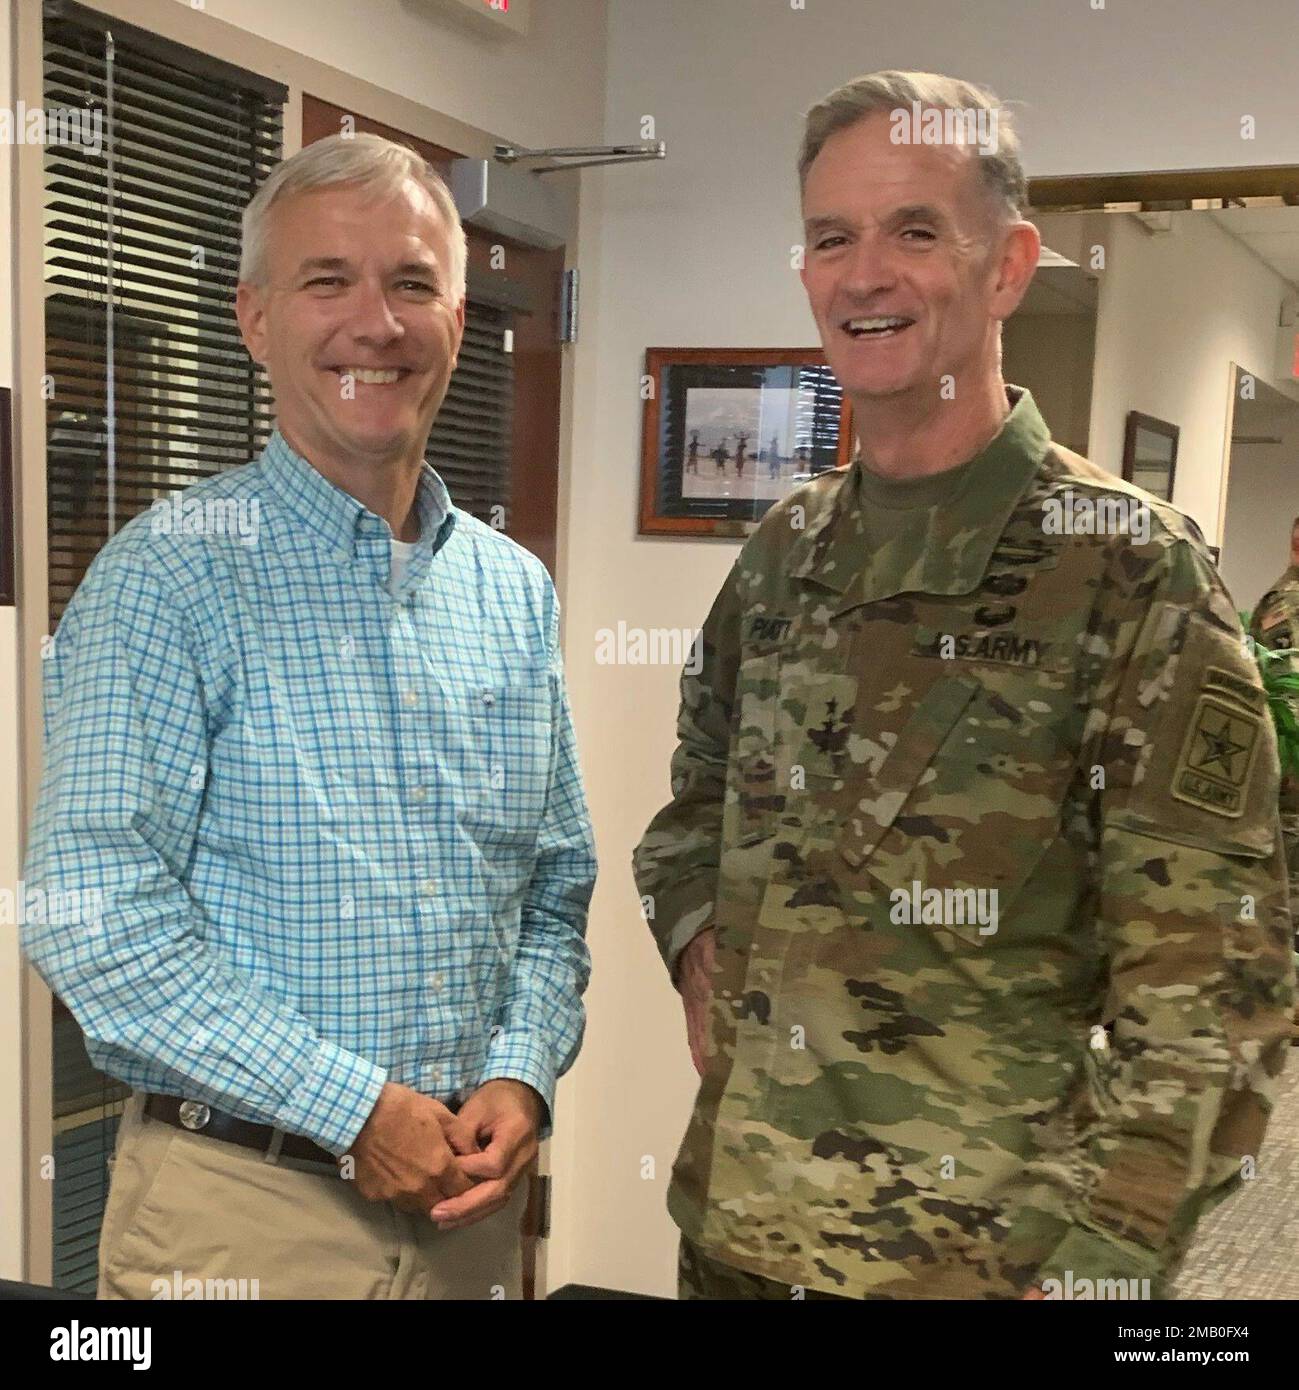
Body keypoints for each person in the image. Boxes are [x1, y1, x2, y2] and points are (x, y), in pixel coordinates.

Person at [633, 69, 1295, 1301]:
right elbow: (694, 802)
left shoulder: (1129, 569)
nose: (864, 273)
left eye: (914, 231)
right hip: (738, 1232)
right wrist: (694, 933)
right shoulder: (788, 550)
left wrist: (1111, 1263)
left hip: (985, 1263)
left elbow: (1219, 980)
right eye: (833, 237)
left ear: (1008, 267)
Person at [22, 133, 596, 1300]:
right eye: (327, 280)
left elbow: (556, 883)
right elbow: (92, 916)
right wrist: (353, 1107)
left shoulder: (510, 589)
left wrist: (524, 1070)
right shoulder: (166, 580)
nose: (374, 323)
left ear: (454, 316)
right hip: (244, 1217)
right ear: (254, 319)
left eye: (414, 283)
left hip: (471, 1218)